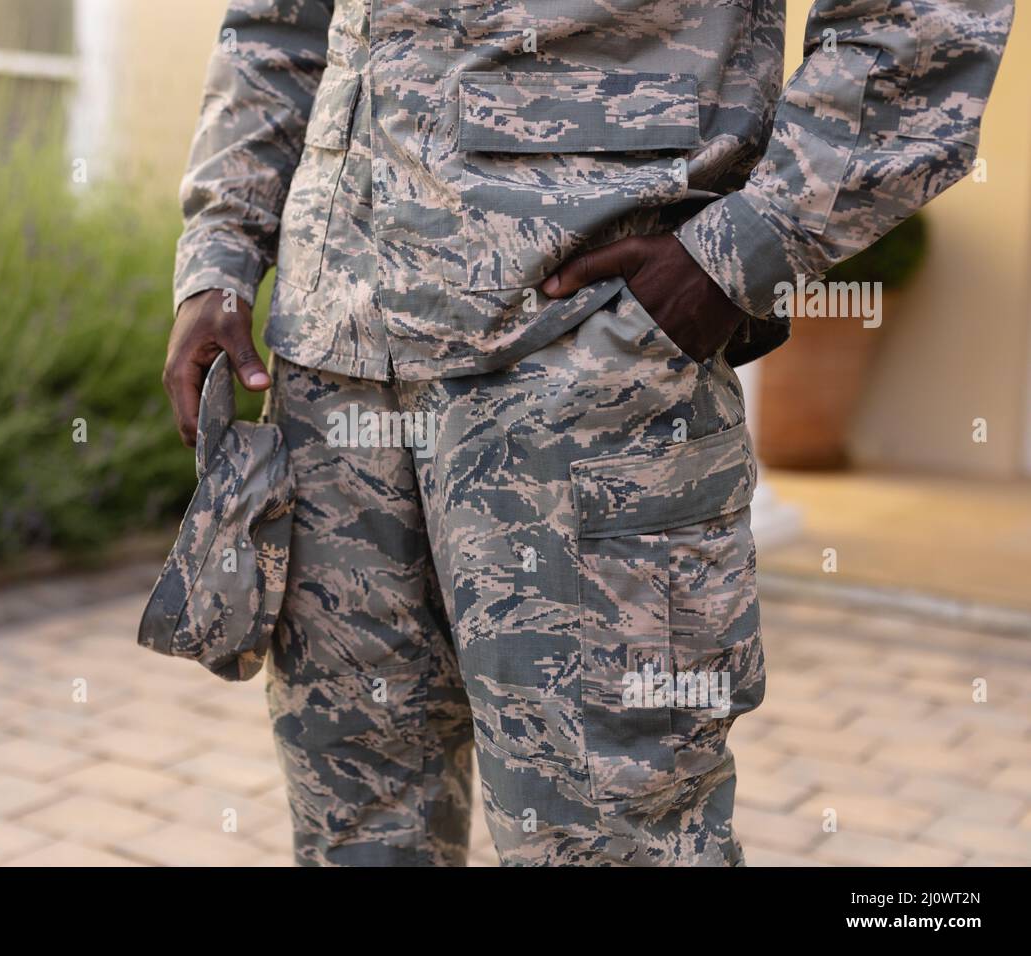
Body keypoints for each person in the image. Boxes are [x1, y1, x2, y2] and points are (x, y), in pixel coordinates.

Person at [163, 0, 1012, 866]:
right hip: (333, 380)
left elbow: (922, 20)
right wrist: (221, 250)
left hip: (583, 377)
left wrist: (743, 249)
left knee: (612, 843)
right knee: (357, 834)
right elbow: (279, 22)